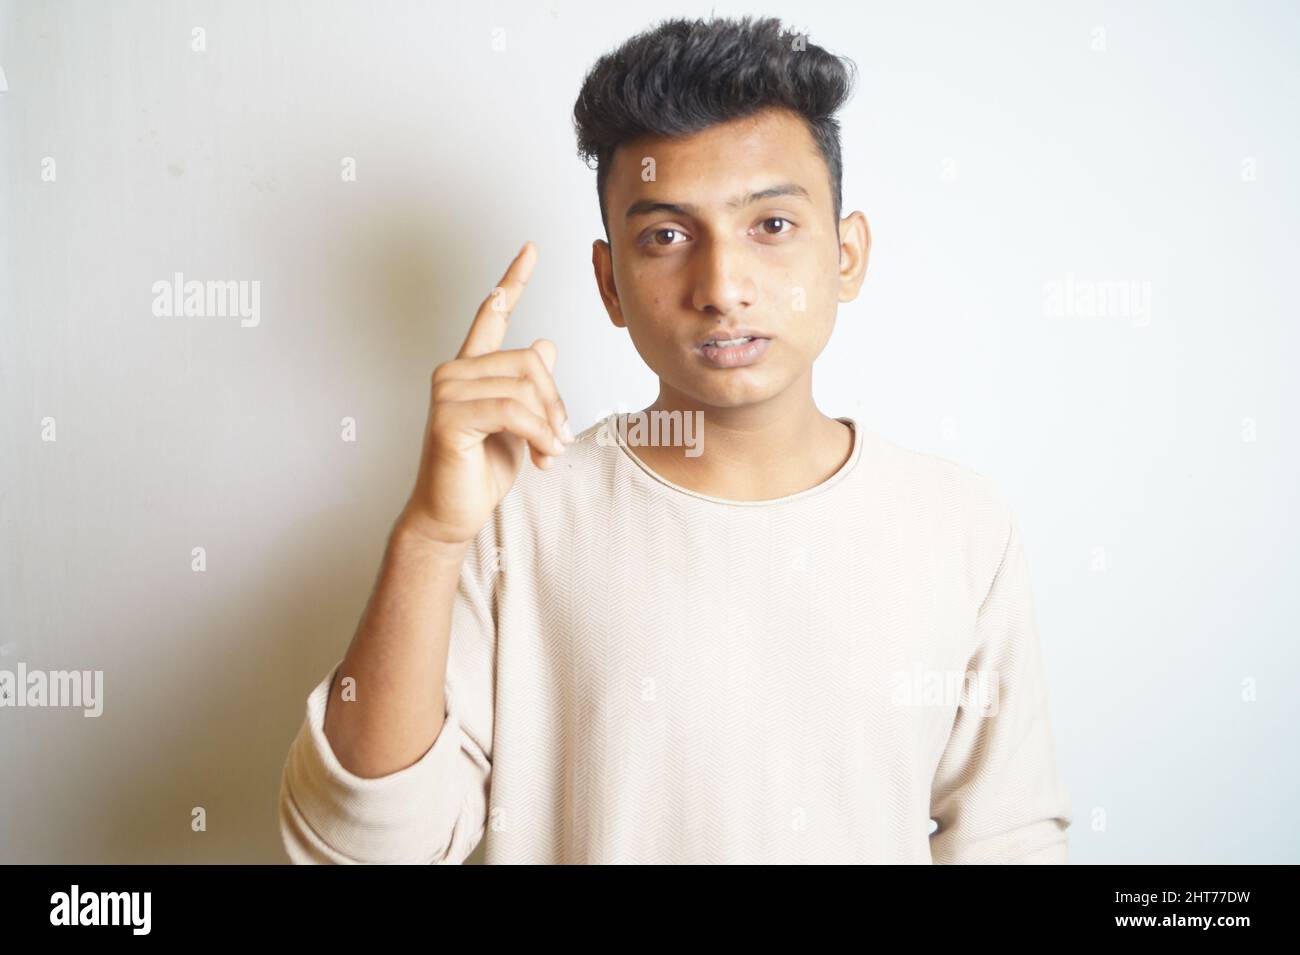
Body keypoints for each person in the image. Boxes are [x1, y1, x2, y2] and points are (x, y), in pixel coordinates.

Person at [278, 14, 1072, 864]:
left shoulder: (960, 524)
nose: (722, 286)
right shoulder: (515, 514)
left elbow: (1006, 838)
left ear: (847, 255)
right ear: (609, 284)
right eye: (666, 236)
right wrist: (432, 536)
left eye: (771, 225)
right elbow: (360, 849)